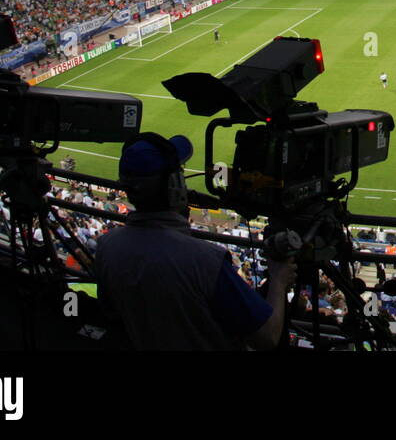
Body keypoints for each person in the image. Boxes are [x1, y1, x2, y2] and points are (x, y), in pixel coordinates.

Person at [92, 133, 296, 350]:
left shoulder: (107, 247)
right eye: (180, 172)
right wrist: (279, 279)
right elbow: (267, 337)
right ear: (175, 184)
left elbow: (111, 311)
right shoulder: (206, 260)